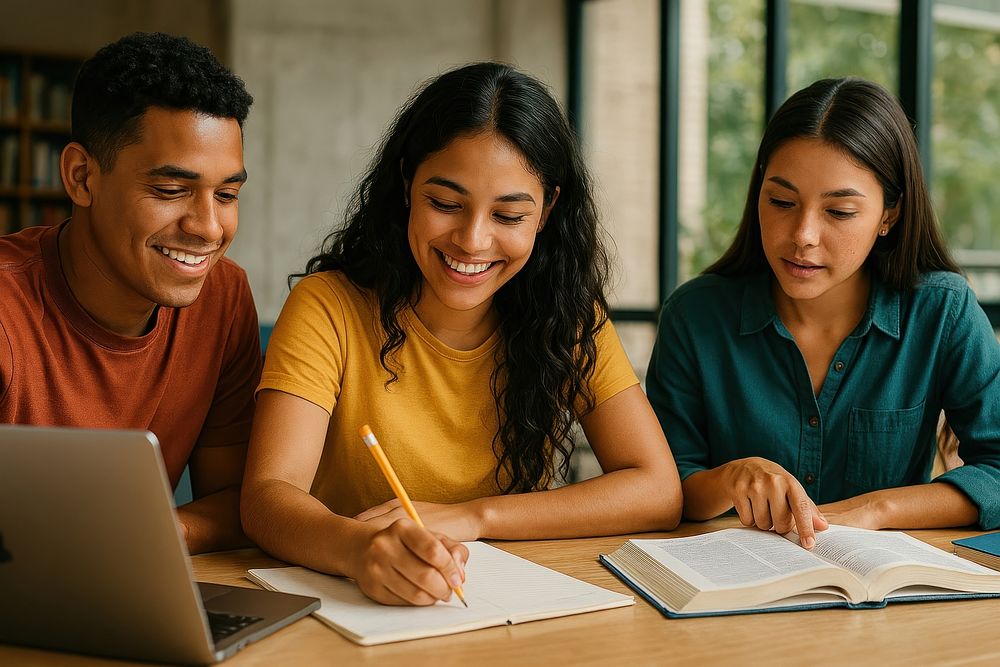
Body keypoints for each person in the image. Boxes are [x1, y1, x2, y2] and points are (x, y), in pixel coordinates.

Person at [241, 62, 683, 606]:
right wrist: (358, 549)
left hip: (507, 604)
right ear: (406, 186)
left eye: (509, 216)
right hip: (353, 603)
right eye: (445, 204)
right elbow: (267, 496)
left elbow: (657, 489)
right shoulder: (328, 307)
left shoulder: (565, 318)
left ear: (546, 213)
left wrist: (473, 517)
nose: (472, 241)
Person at [646, 77, 1000, 549]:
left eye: (839, 212)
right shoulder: (695, 317)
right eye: (781, 202)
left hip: (894, 597)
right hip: (735, 591)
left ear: (888, 215)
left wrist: (878, 508)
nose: (803, 235)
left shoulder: (942, 311)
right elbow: (666, 489)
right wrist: (731, 478)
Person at [0, 32, 259, 554]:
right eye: (171, 191)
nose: (209, 228)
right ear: (81, 176)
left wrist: (147, 535)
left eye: (227, 194)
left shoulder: (223, 297)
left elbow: (241, 501)